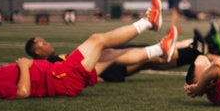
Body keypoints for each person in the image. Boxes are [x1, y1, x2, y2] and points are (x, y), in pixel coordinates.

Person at [0, 0, 177, 99]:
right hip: (61, 77)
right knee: (98, 39)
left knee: (109, 54)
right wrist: (26, 67)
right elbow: (22, 93)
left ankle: (160, 50)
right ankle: (148, 22)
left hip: (60, 75)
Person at [24, 28, 199, 82]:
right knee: (142, 57)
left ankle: (191, 50)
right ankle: (192, 50)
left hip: (103, 69)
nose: (48, 43)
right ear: (37, 52)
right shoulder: (48, 64)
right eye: (43, 43)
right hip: (107, 70)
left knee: (146, 60)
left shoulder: (50, 62)